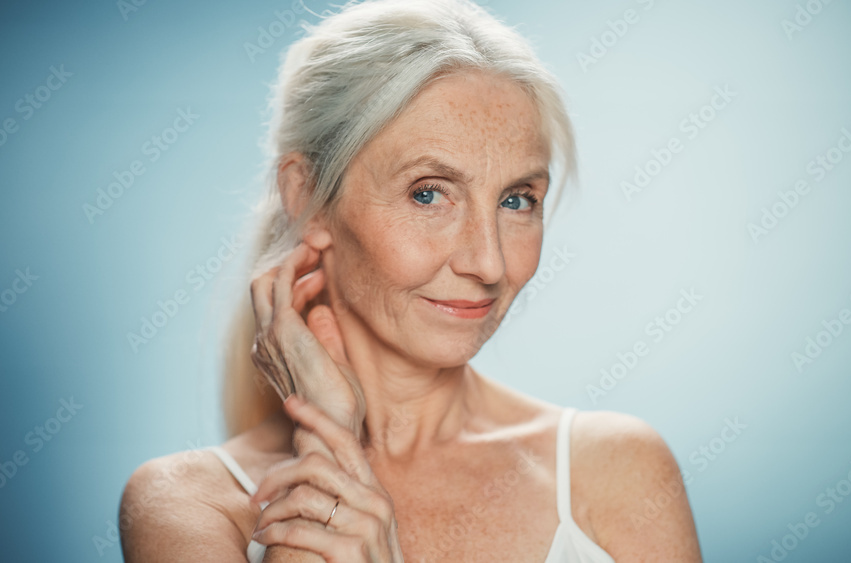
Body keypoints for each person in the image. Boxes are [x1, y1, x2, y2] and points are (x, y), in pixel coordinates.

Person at [120, 0, 702, 561]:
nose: (490, 264)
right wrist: (327, 436)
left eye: (517, 200)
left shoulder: (617, 469)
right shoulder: (189, 503)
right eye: (428, 193)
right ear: (308, 199)